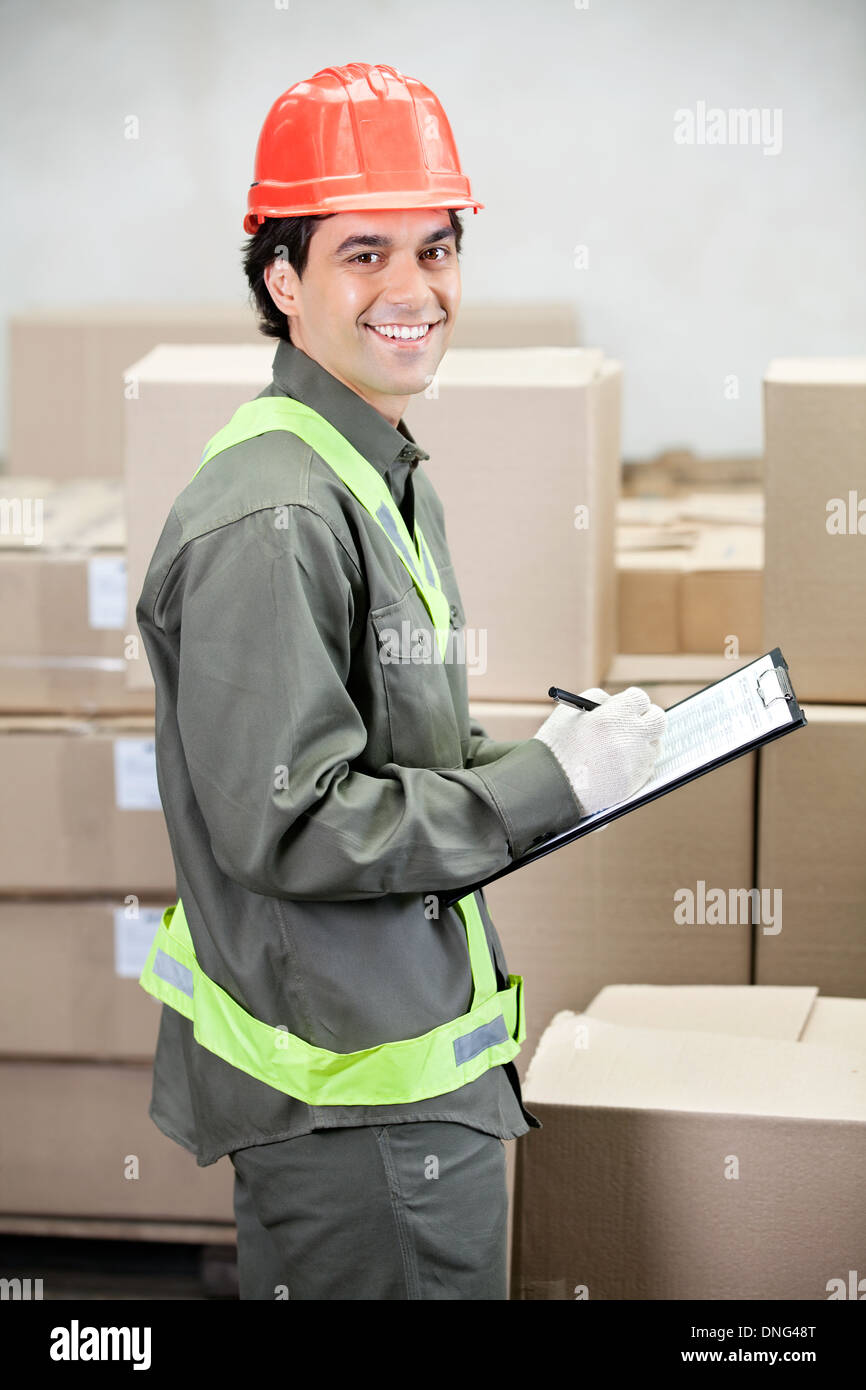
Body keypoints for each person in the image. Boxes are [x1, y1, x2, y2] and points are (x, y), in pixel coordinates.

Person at [136, 61, 665, 1301]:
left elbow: (388, 753)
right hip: (360, 1114)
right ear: (284, 279)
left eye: (436, 248)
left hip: (396, 1079)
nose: (413, 289)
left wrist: (550, 763)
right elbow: (297, 818)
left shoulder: (361, 460)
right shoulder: (274, 512)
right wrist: (533, 792)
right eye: (362, 253)